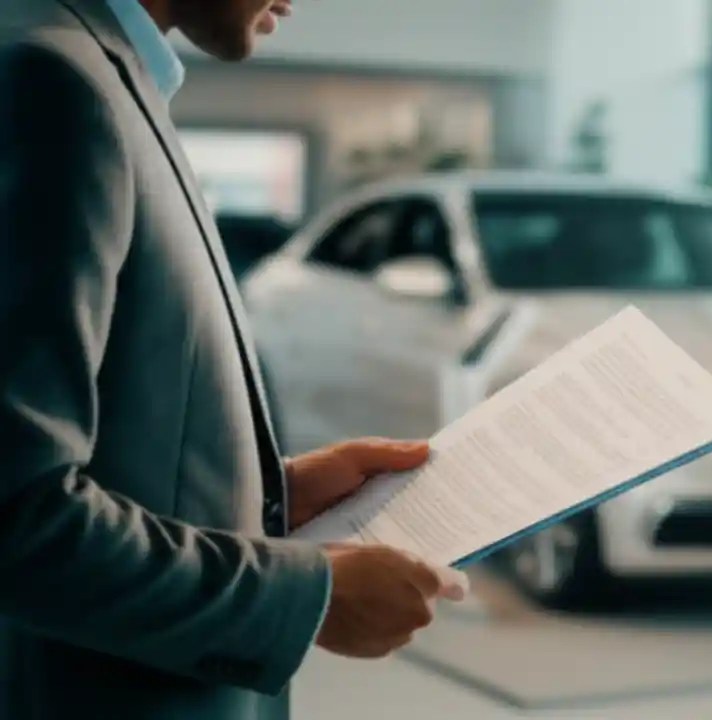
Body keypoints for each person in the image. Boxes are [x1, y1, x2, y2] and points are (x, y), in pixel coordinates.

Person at [0, 1, 468, 718]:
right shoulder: (52, 78)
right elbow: (15, 514)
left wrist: (272, 493)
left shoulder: (98, 73)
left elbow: (108, 442)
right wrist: (304, 597)